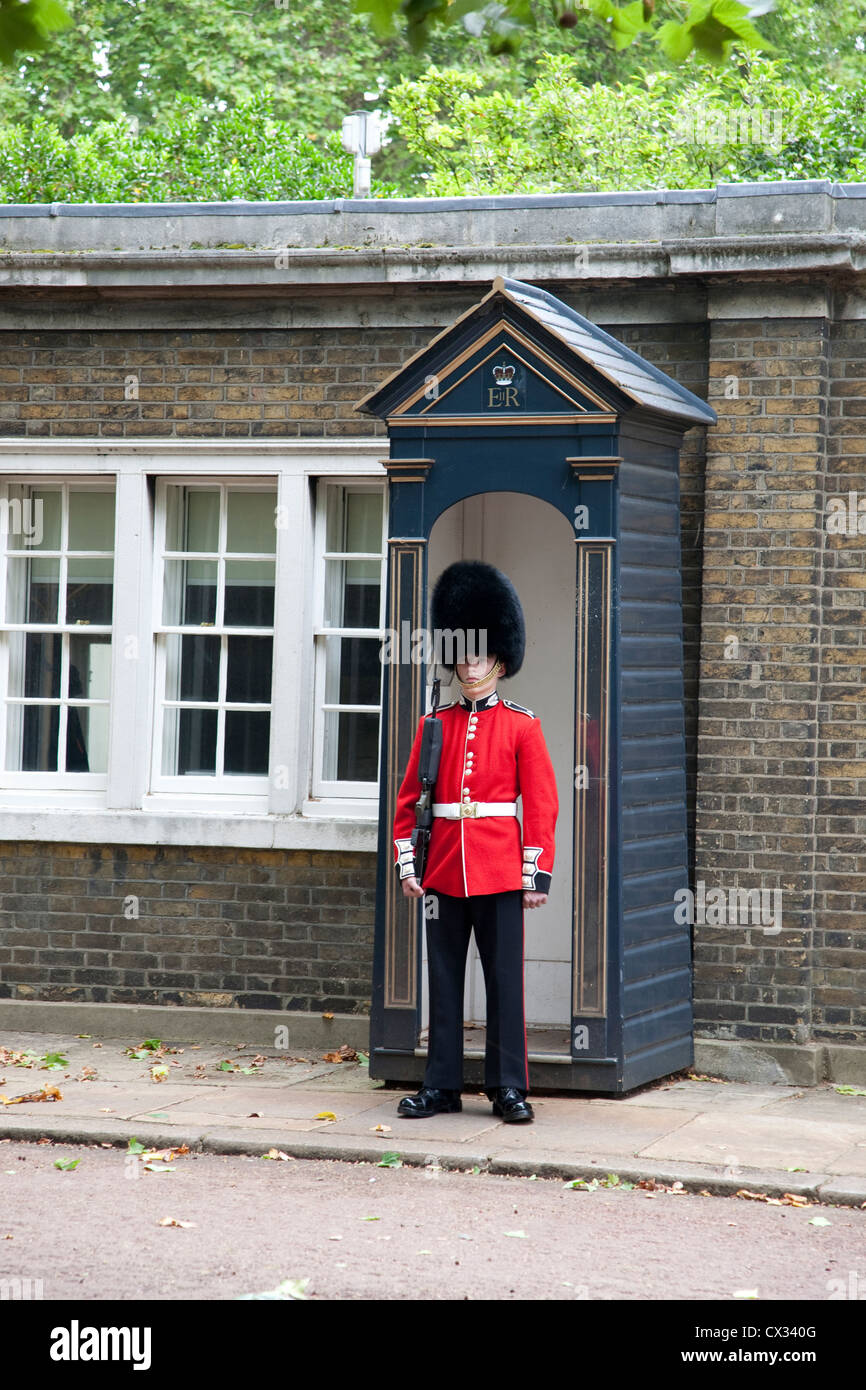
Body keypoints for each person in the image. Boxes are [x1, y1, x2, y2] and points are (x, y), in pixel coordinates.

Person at [391, 560, 558, 1124]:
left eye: (479, 654)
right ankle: (441, 1085)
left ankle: (508, 1086)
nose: (469, 663)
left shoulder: (522, 725)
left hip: (500, 869)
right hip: (443, 869)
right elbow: (410, 800)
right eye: (462, 653)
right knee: (442, 981)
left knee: (504, 982)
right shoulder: (433, 724)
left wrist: (534, 874)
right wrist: (410, 863)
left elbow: (540, 804)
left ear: (500, 660)